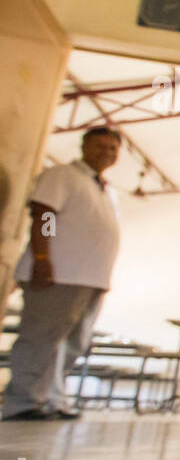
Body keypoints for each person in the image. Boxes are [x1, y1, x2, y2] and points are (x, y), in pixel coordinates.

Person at [3, 126, 122, 421]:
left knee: (71, 344)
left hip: (90, 278)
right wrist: (43, 258)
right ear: (83, 146)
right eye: (99, 146)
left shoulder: (104, 188)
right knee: (40, 338)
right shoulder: (62, 176)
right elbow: (45, 216)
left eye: (111, 148)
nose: (105, 152)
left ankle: (53, 399)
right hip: (59, 275)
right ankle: (21, 402)